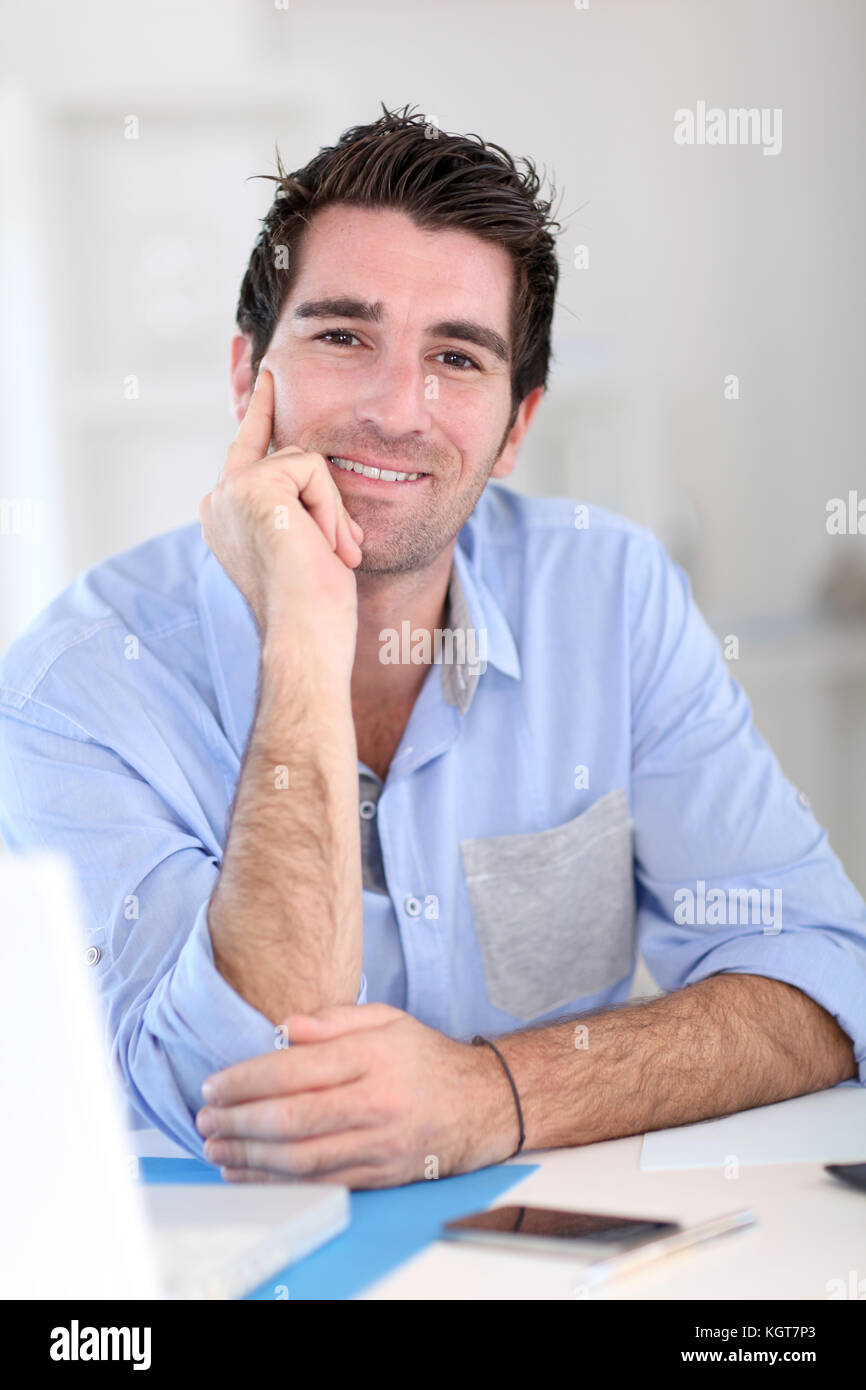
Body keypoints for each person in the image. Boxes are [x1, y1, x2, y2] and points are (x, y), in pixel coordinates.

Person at [0, 106, 863, 1190]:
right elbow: (239, 1095)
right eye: (340, 335)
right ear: (243, 378)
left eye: (456, 357)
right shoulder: (72, 685)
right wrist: (304, 645)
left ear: (514, 429)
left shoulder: (611, 596)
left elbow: (822, 976)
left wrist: (492, 1093)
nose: (392, 408)